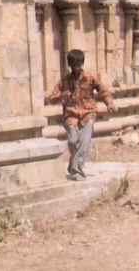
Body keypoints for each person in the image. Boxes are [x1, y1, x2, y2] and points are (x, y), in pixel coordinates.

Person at [46, 49, 116, 180]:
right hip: (71, 114)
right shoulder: (64, 82)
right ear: (70, 65)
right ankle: (74, 163)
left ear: (82, 64)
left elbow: (103, 91)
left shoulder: (90, 78)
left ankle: (77, 169)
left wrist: (109, 103)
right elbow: (51, 98)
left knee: (85, 141)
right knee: (73, 140)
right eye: (73, 65)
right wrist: (61, 96)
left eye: (78, 65)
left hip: (88, 113)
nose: (76, 68)